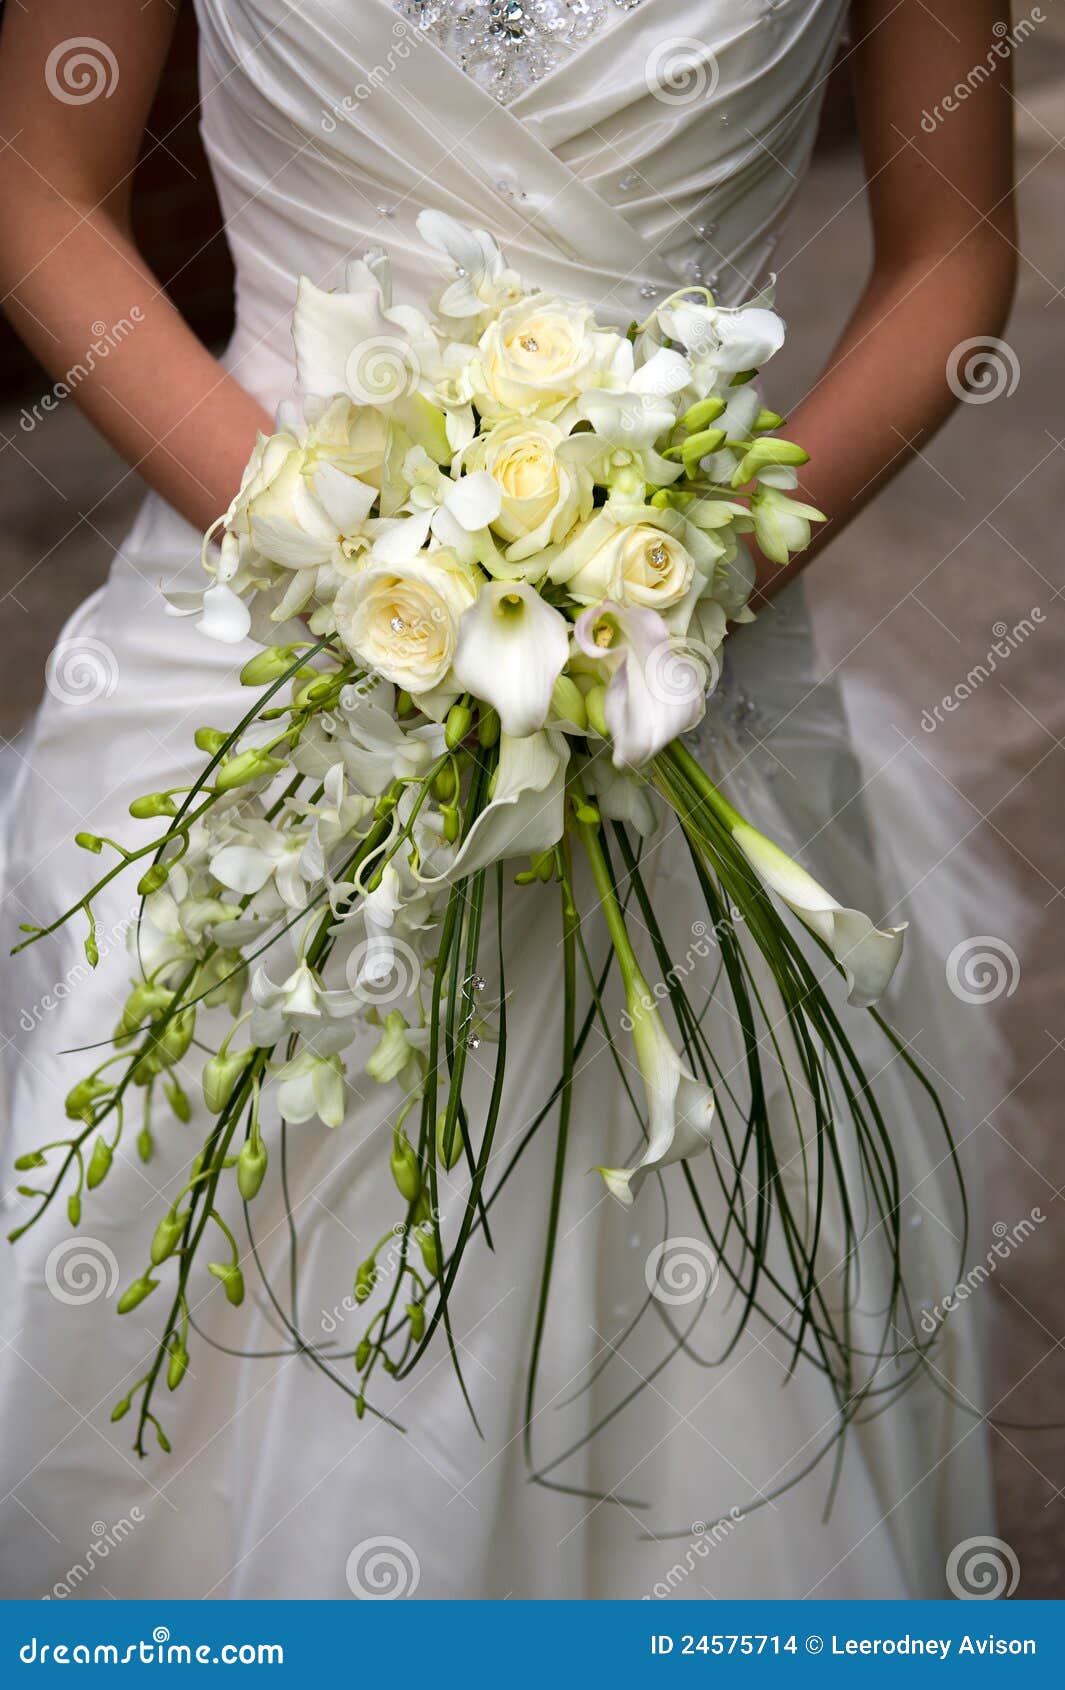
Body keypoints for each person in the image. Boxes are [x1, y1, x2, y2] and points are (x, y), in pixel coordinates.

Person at [0, 0, 1015, 1599]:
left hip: (680, 656)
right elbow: (38, 184)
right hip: (249, 604)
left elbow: (950, 258)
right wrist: (342, 560)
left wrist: (675, 590)